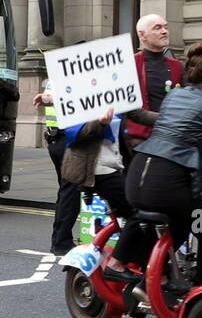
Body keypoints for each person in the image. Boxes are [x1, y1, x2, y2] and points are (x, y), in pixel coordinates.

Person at [123, 42, 202, 288]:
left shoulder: (174, 95)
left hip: (139, 175)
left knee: (180, 227)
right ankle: (201, 292)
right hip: (170, 185)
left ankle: (152, 278)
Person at [60, 105, 158, 277]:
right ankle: (117, 264)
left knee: (145, 214)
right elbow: (75, 131)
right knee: (140, 212)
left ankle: (150, 267)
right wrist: (100, 122)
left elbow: (138, 114)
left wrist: (172, 118)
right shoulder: (84, 90)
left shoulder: (113, 88)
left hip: (115, 164)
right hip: (97, 170)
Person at [123, 13, 182, 162]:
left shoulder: (177, 66)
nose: (164, 31)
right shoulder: (130, 64)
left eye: (165, 27)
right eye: (158, 28)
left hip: (170, 141)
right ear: (142, 35)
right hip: (138, 143)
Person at [33, 81, 81, 255]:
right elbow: (64, 97)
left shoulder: (53, 77)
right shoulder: (67, 77)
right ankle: (61, 242)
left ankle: (59, 240)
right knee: (71, 192)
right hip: (66, 140)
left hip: (56, 139)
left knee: (66, 191)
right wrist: (48, 98)